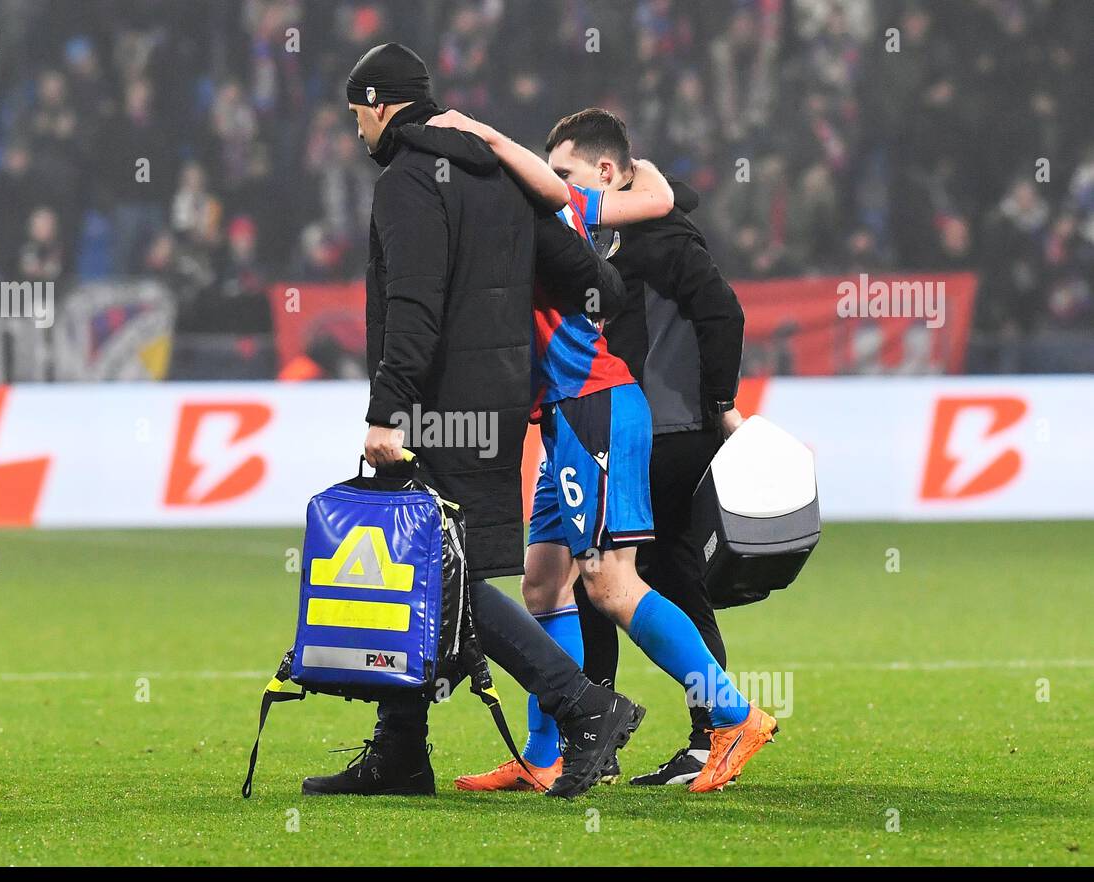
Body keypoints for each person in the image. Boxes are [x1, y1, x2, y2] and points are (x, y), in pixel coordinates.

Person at [300, 43, 644, 800]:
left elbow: (414, 309)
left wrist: (387, 412)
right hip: (497, 406)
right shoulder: (500, 181)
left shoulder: (407, 184)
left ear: (381, 105)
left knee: (435, 575)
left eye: (357, 112)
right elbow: (598, 282)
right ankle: (401, 750)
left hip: (435, 405)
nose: (356, 128)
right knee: (428, 568)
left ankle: (585, 705)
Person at [431, 108, 777, 795]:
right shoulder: (555, 209)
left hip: (595, 404)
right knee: (542, 581)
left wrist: (485, 132)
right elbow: (662, 194)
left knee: (611, 584)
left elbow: (660, 203)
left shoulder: (531, 211)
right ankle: (546, 751)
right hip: (564, 418)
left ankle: (733, 714)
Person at [545, 108, 755, 787]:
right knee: (593, 582)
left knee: (664, 580)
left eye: (566, 175)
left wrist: (718, 405)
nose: (557, 189)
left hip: (671, 430)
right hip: (636, 430)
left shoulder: (659, 238)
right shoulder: (610, 239)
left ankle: (713, 731)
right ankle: (596, 735)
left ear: (606, 174)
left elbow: (724, 311)